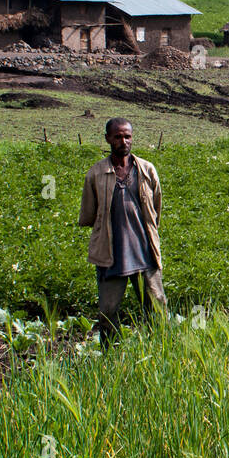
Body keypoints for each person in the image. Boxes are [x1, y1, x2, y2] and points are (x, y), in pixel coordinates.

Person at [78, 118, 166, 346]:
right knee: (108, 309)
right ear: (107, 138)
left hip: (144, 248)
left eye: (127, 136)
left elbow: (156, 210)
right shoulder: (96, 173)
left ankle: (159, 347)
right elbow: (88, 215)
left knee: (156, 302)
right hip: (111, 251)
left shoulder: (146, 170)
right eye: (117, 136)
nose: (123, 141)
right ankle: (111, 354)